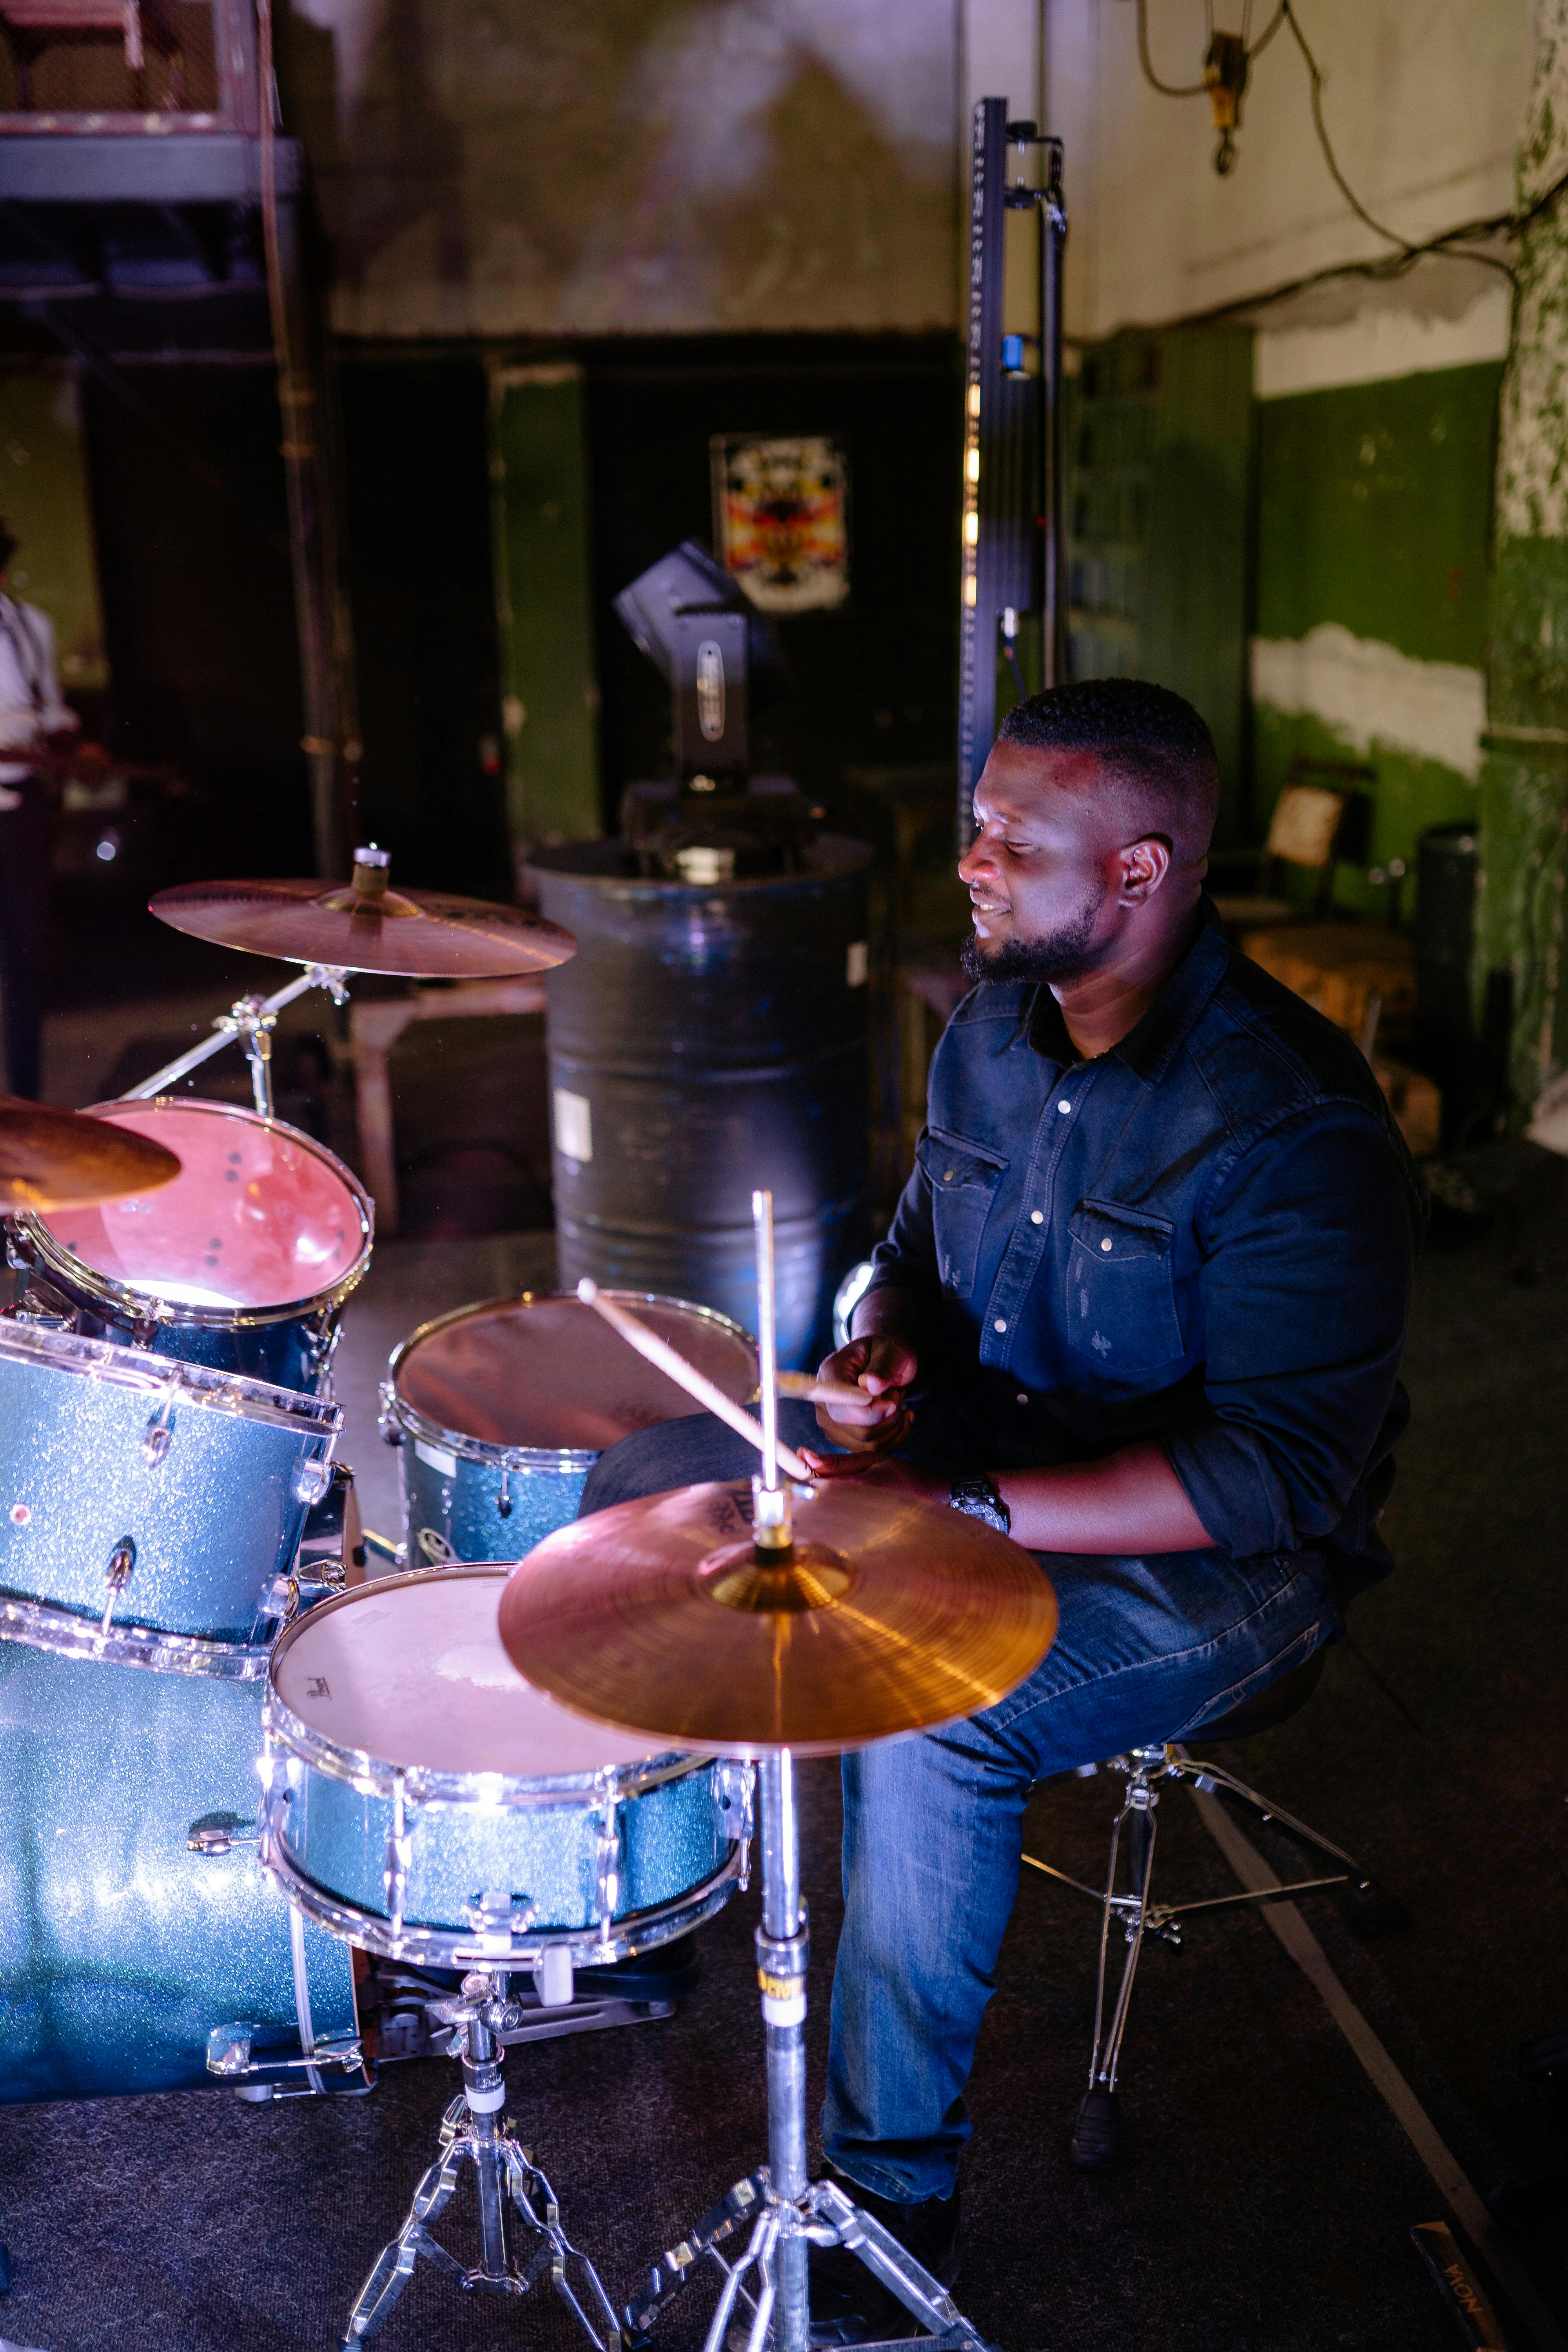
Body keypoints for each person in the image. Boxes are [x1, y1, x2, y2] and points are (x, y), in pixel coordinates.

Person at [579, 678, 1422, 2336]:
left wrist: (969, 1505)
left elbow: (1272, 1473)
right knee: (640, 1491)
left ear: (1139, 872)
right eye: (978, 823)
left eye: (1010, 839)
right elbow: (911, 1250)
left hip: (1220, 1560)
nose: (966, 862)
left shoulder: (1293, 1130)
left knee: (927, 1711)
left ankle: (892, 2201)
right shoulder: (989, 1027)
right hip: (981, 1458)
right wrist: (879, 1350)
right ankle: (618, 1915)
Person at [0, 518, 77, 1099]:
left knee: (25, 958)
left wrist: (69, 737)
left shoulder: (31, 626)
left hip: (22, 808)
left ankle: (29, 1103)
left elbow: (51, 709)